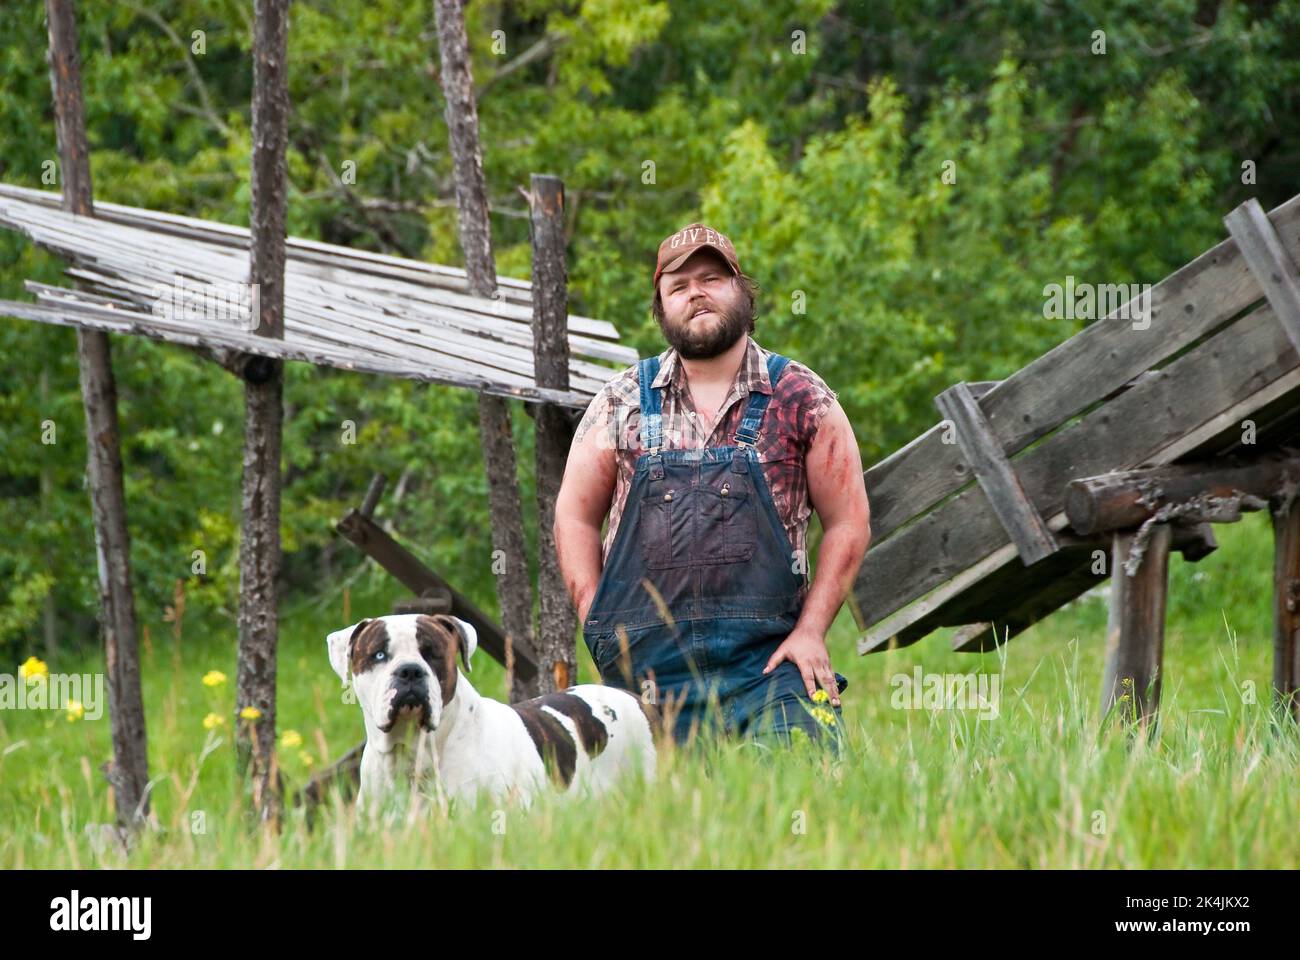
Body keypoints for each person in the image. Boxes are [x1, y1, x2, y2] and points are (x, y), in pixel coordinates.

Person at [554, 222, 871, 751]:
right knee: (646, 826)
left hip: (768, 667)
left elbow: (848, 522)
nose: (695, 293)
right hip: (644, 683)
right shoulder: (620, 402)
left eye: (711, 279)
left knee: (805, 791)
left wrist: (811, 630)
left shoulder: (802, 397)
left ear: (742, 291)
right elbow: (574, 517)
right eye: (677, 287)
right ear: (661, 309)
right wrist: (597, 624)